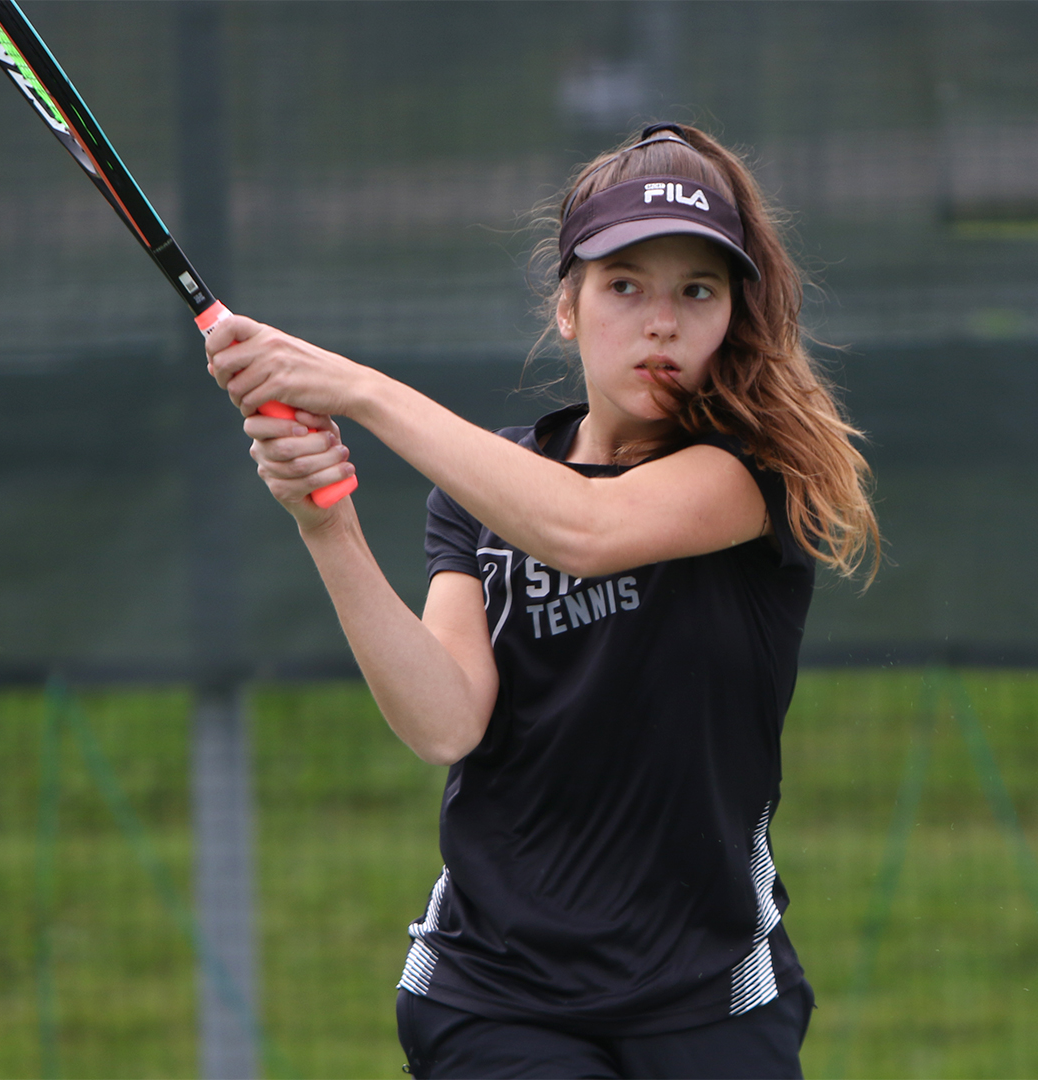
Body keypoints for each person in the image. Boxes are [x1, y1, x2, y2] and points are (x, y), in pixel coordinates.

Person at [204, 122, 877, 1079]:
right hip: (497, 995)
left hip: (707, 991)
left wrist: (355, 388)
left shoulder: (749, 474)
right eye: (624, 285)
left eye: (698, 290)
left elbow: (586, 531)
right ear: (568, 306)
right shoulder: (488, 488)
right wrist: (327, 524)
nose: (661, 322)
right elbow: (444, 721)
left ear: (734, 314)